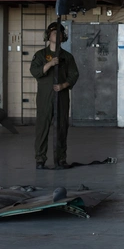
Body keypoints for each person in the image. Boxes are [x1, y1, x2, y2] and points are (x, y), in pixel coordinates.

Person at [29, 21, 79, 169]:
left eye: (60, 33)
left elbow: (74, 74)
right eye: (55, 33)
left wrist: (64, 85)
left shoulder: (67, 57)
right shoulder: (40, 55)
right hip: (45, 96)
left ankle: (61, 159)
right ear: (48, 35)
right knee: (42, 127)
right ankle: (40, 159)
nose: (58, 36)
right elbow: (34, 71)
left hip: (61, 96)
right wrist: (50, 64)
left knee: (62, 127)